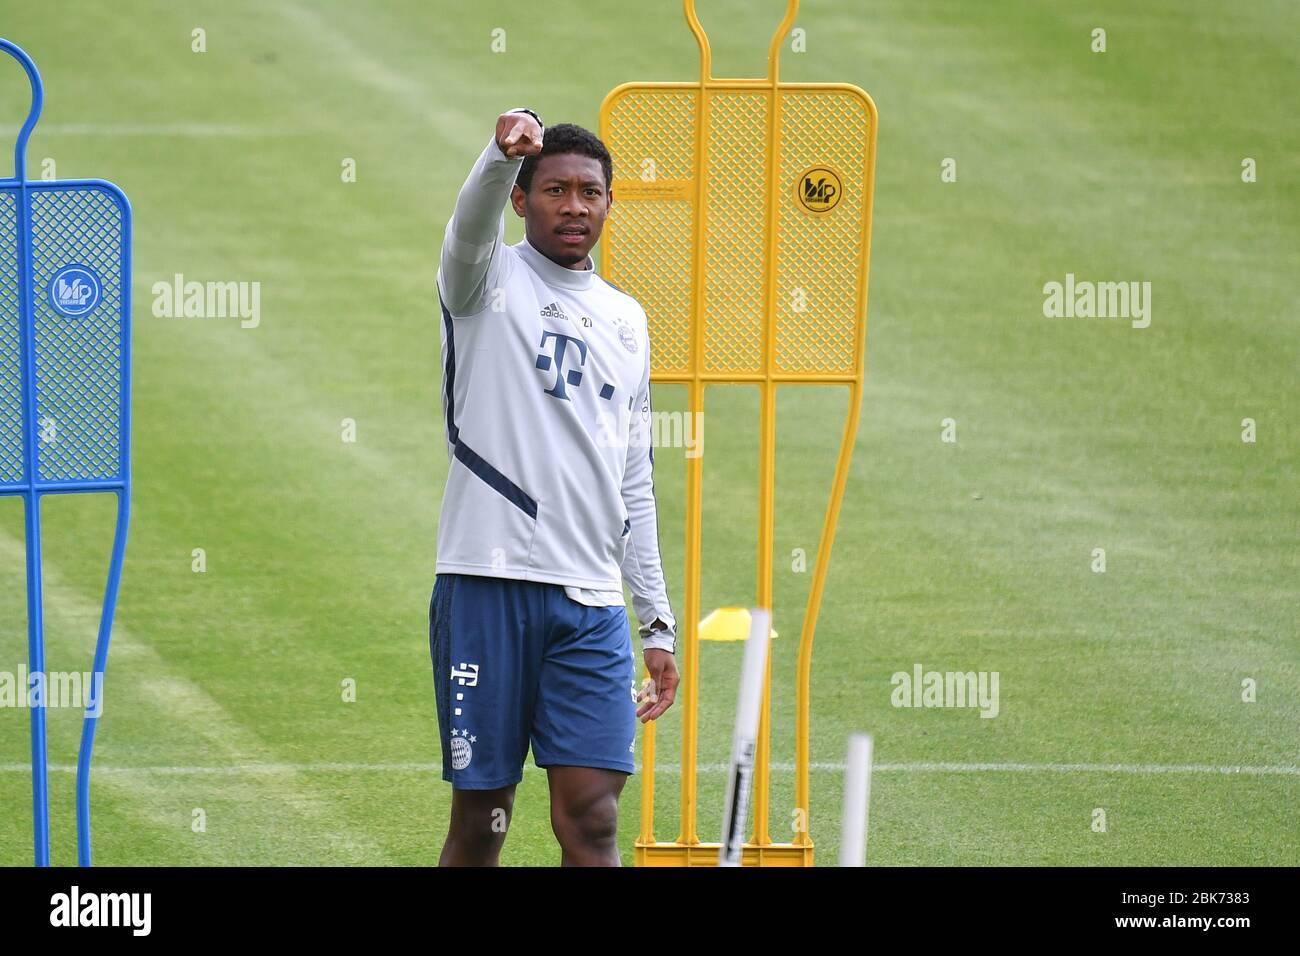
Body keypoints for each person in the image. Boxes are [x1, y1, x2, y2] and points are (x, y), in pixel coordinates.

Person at [430, 108, 679, 866]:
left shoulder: (628, 321)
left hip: (593, 604)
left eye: (591, 192)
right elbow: (466, 229)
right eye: (555, 190)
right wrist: (498, 155)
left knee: (594, 818)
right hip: (487, 584)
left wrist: (657, 623)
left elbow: (634, 478)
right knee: (483, 819)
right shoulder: (483, 281)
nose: (574, 206)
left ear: (608, 203)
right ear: (521, 199)